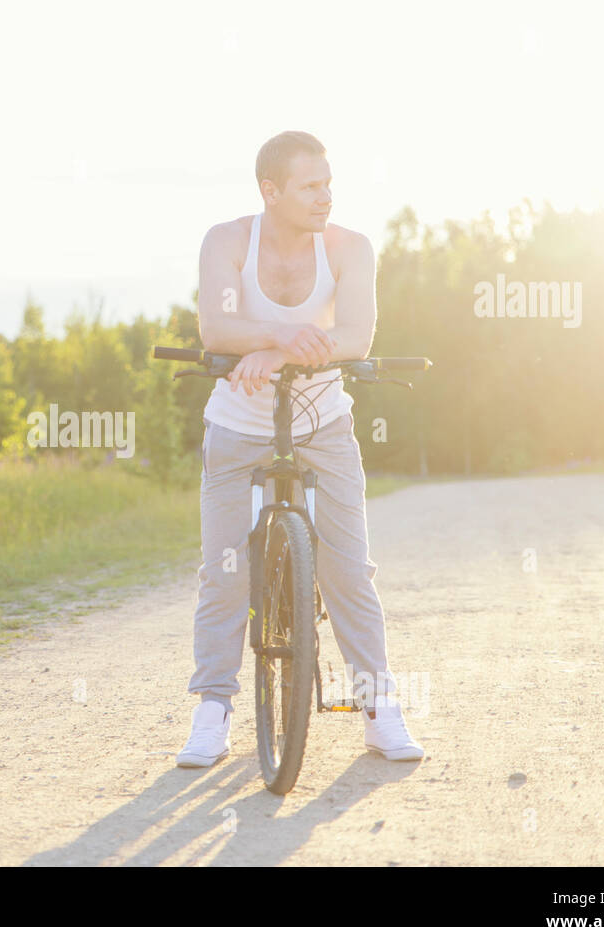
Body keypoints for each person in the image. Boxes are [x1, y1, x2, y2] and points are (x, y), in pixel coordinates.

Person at [176, 130, 424, 768]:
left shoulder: (350, 249)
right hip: (236, 426)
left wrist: (267, 349)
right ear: (271, 190)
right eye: (311, 186)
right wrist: (283, 332)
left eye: (329, 183)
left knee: (348, 569)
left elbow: (355, 336)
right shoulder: (227, 241)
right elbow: (214, 326)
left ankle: (378, 707)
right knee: (224, 573)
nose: (326, 196)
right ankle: (212, 710)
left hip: (323, 423)